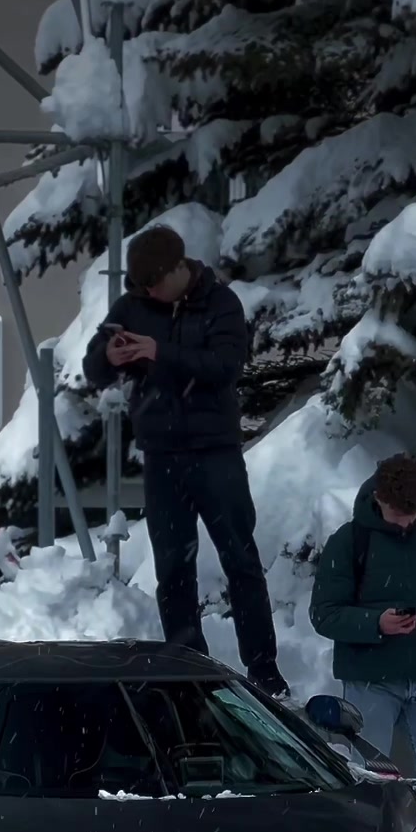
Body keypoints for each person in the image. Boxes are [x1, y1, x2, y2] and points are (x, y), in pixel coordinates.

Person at [82, 224, 288, 698]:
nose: (149, 294)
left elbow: (225, 367)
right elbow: (94, 367)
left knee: (240, 557)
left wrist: (161, 352)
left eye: (155, 284)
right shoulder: (133, 305)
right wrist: (110, 355)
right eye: (143, 287)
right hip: (161, 454)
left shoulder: (220, 303)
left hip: (215, 449)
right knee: (173, 565)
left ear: (179, 269)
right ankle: (186, 665)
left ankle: (265, 670)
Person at [309, 453, 416, 780]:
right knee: (371, 779)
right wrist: (375, 623)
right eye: (399, 514)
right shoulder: (350, 540)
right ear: (379, 499)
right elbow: (324, 614)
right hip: (370, 679)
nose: (407, 523)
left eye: (414, 514)